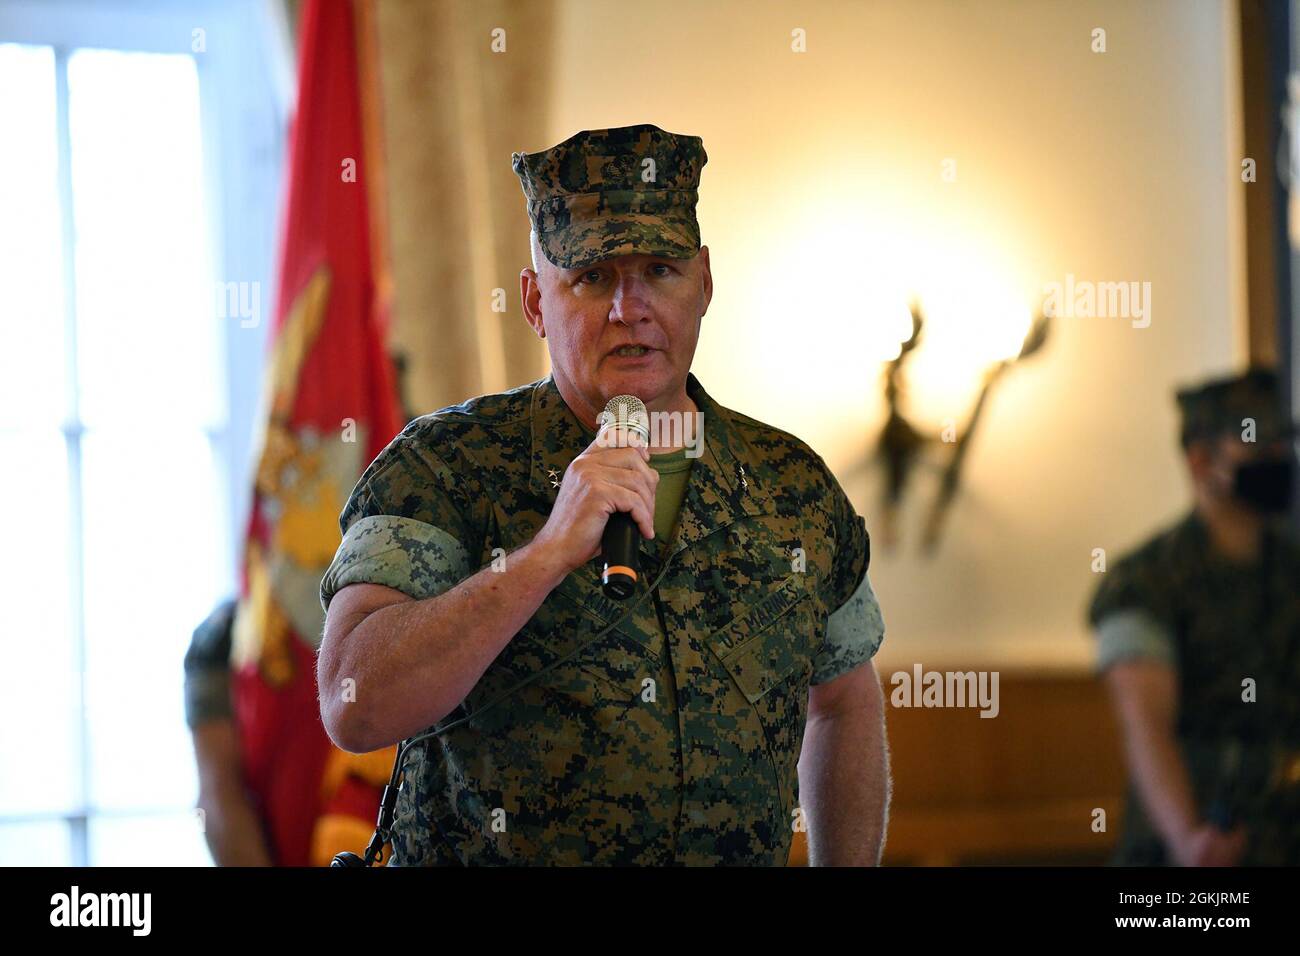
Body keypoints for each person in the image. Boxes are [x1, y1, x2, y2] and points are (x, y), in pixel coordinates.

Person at [317, 123, 890, 865]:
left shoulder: (792, 487)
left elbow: (843, 700)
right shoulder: (445, 469)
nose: (630, 307)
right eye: (592, 277)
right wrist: (545, 554)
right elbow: (352, 703)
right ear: (533, 300)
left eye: (660, 270)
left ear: (705, 283)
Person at [1088, 368, 1300, 866]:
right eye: (1258, 446)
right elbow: (1146, 725)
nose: (1278, 461)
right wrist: (1189, 839)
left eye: (1282, 446)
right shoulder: (1144, 582)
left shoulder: (1290, 568)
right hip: (1194, 844)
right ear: (1202, 460)